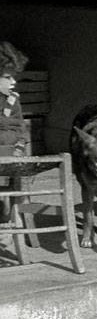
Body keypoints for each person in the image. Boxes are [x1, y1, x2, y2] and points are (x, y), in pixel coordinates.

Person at [0, 41, 29, 223]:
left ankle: (6, 221)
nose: (13, 82)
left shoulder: (13, 101)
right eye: (7, 78)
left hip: (8, 156)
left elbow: (19, 127)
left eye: (14, 77)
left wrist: (19, 144)